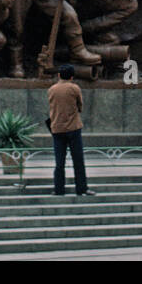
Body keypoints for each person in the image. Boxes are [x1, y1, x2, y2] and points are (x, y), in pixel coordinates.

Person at [48, 64, 95, 197]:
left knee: (59, 163)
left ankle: (59, 190)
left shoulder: (52, 89)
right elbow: (80, 106)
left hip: (57, 129)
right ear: (72, 76)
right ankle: (81, 189)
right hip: (73, 128)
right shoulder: (74, 88)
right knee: (78, 160)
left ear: (58, 75)